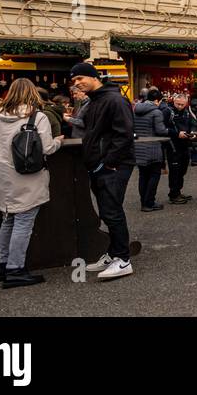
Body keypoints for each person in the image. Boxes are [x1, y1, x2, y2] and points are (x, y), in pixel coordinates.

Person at [0, 78, 62, 288]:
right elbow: (47, 148)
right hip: (27, 179)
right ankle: (16, 269)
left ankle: (3, 265)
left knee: (7, 219)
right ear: (33, 94)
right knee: (23, 222)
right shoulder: (38, 117)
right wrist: (58, 141)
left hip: (1, 178)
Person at [70, 62, 136, 279]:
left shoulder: (114, 99)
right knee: (107, 211)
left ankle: (123, 259)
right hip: (101, 164)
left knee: (112, 210)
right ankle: (113, 252)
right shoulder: (96, 100)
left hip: (113, 165)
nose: (77, 83)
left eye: (80, 78)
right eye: (74, 81)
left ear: (93, 77)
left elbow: (124, 134)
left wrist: (108, 162)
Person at [132, 88, 170, 211]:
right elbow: (160, 131)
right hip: (153, 147)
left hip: (139, 147)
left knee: (143, 175)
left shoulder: (136, 109)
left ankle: (143, 202)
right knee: (154, 175)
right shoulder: (156, 112)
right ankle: (149, 202)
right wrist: (168, 131)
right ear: (157, 101)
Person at [165, 92, 197, 204]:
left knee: (183, 169)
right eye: (177, 104)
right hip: (173, 145)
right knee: (174, 170)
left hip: (185, 144)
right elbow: (162, 128)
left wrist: (192, 132)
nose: (179, 106)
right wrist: (176, 133)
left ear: (186, 103)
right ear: (174, 101)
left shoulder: (187, 111)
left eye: (182, 104)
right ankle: (173, 194)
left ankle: (178, 191)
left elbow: (193, 123)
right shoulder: (168, 111)